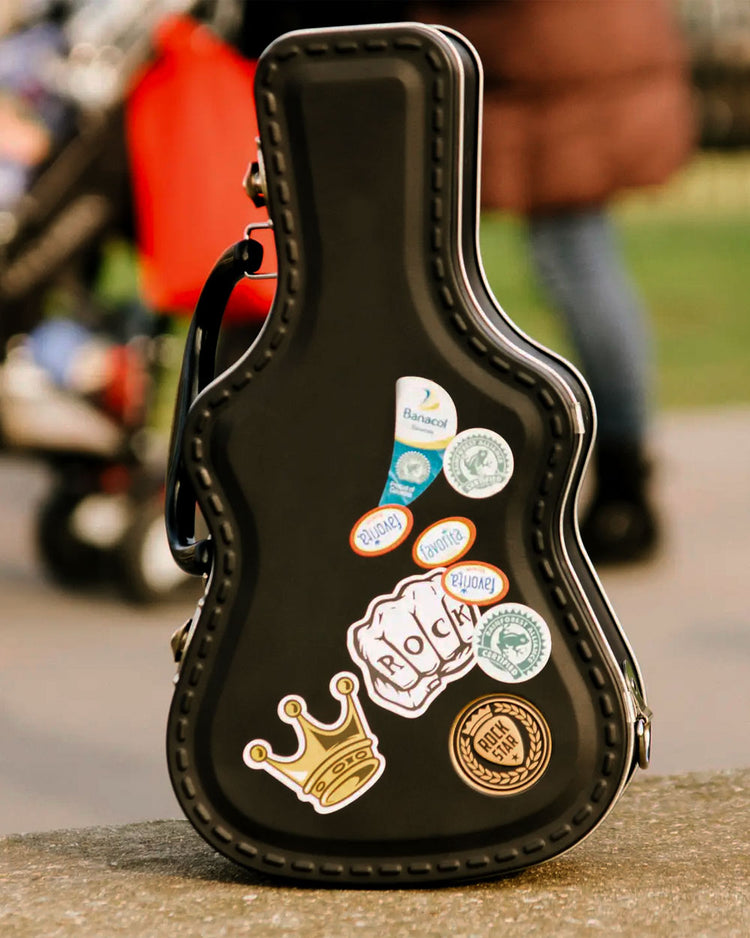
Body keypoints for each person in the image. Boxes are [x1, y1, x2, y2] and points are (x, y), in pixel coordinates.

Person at [412, 0, 695, 563]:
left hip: (558, 63)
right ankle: (623, 479)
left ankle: (622, 489)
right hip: (580, 54)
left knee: (576, 263)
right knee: (578, 260)